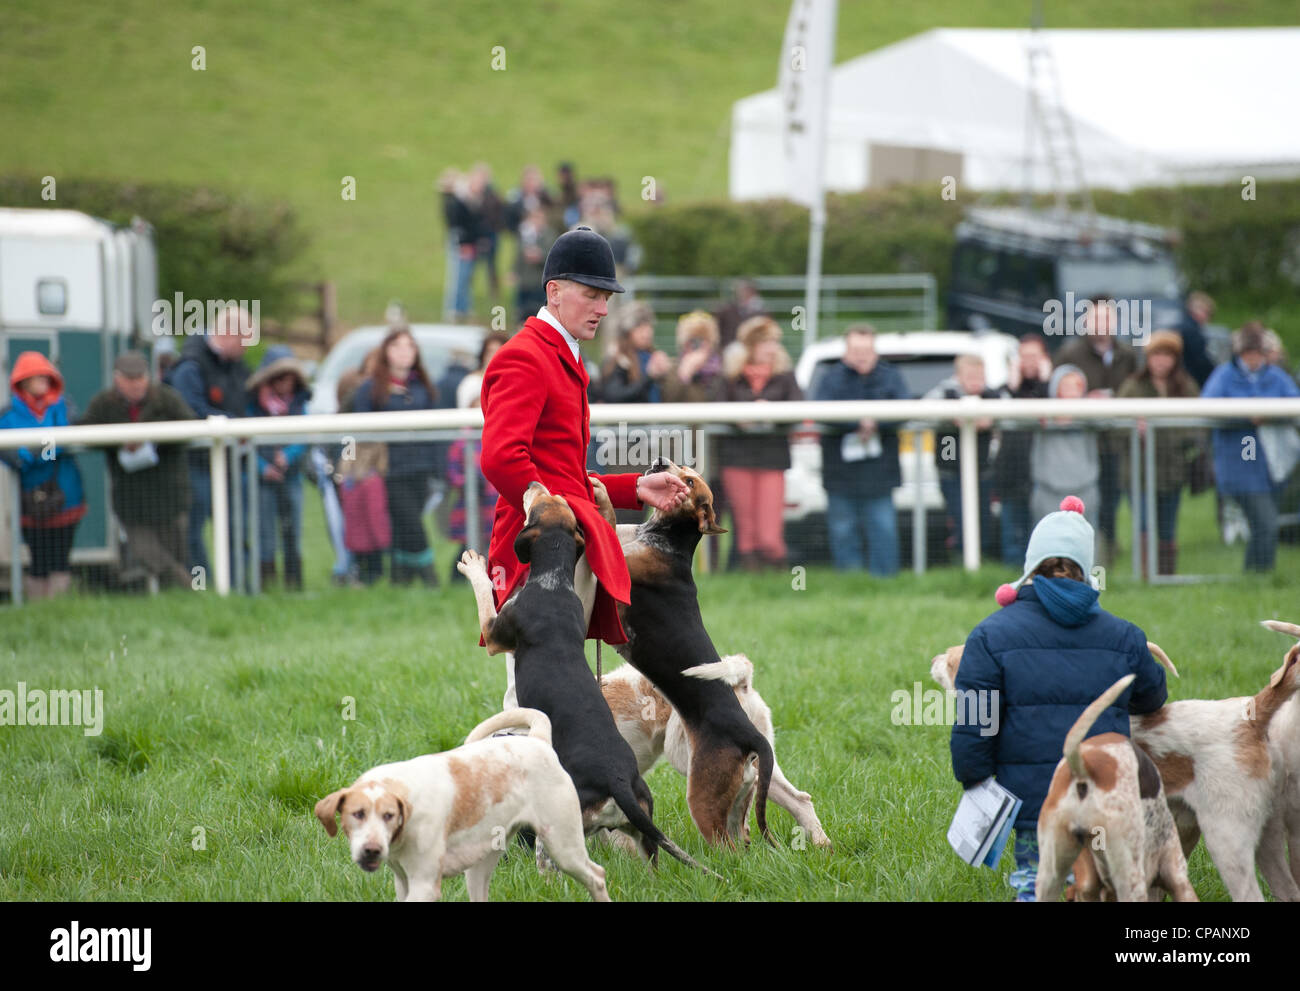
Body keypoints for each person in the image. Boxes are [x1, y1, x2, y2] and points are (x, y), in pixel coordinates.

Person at [480, 225, 689, 695]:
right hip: (538, 549)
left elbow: (564, 475)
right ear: (554, 292)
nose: (603, 308)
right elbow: (500, 459)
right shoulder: (526, 357)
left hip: (564, 541)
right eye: (592, 294)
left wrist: (634, 487)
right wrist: (550, 522)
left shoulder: (561, 354)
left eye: (607, 297)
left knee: (560, 694)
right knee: (535, 698)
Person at [950, 497, 1168, 900]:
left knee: (1038, 884)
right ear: (1087, 569)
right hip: (1107, 797)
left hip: (1036, 805)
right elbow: (1153, 697)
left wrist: (974, 776)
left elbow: (976, 720)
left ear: (1031, 566)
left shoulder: (989, 636)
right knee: (1104, 888)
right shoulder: (1124, 636)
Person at [80, 351, 196, 589]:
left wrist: (150, 438)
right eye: (130, 379)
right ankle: (190, 593)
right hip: (131, 498)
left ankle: (179, 605)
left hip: (170, 494)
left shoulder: (166, 399)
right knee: (150, 555)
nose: (136, 384)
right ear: (117, 379)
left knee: (175, 555)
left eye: (140, 378)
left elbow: (190, 428)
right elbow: (85, 433)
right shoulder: (103, 404)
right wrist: (120, 440)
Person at [1202, 323, 1300, 572]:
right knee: (1265, 523)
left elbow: (1293, 404)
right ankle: (1259, 574)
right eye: (1248, 353)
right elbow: (1207, 409)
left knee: (1264, 525)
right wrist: (1246, 416)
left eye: (1258, 352)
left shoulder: (1275, 375)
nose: (1253, 359)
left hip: (1272, 465)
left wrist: (1268, 415)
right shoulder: (1224, 375)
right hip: (1239, 465)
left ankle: (1257, 575)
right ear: (1239, 353)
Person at [812, 324, 909, 575]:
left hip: (880, 472)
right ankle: (850, 582)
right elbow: (818, 411)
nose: (861, 355)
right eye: (856, 349)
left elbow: (905, 408)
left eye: (866, 349)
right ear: (846, 350)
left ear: (874, 349)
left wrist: (876, 422)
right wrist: (857, 423)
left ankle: (885, 582)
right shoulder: (830, 378)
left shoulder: (891, 376)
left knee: (883, 529)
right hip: (840, 473)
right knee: (843, 531)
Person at [168, 303, 254, 575]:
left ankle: (239, 583)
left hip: (228, 463)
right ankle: (200, 585)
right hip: (195, 464)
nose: (246, 348)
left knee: (235, 526)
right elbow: (189, 410)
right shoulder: (190, 366)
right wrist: (232, 423)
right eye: (244, 340)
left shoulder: (237, 367)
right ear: (228, 333)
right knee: (194, 530)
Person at [351, 327, 440, 586]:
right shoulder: (370, 388)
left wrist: (437, 468)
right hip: (388, 469)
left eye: (409, 346)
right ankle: (429, 578)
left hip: (421, 467)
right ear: (386, 352)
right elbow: (361, 426)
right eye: (397, 346)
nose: (404, 352)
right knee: (411, 523)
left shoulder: (423, 386)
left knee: (405, 525)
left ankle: (399, 580)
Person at [713, 315, 803, 570]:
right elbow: (717, 409)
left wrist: (772, 412)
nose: (772, 348)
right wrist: (739, 418)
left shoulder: (785, 375)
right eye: (766, 342)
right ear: (751, 346)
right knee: (746, 530)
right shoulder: (731, 376)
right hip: (737, 457)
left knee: (769, 533)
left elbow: (799, 409)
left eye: (774, 342)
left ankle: (779, 577)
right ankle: (754, 582)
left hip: (772, 457)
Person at [1054, 297, 1138, 565]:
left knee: (1112, 500)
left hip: (1117, 442)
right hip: (1080, 444)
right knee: (1081, 502)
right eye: (1096, 319)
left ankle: (1107, 554)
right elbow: (1055, 390)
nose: (1101, 325)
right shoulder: (1070, 353)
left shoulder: (1129, 354)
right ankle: (1077, 554)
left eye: (1106, 319)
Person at [0, 352, 87, 599]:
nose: (42, 383)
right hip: (31, 499)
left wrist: (34, 454)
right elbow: (10, 454)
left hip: (65, 494)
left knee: (60, 557)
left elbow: (63, 441)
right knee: (38, 558)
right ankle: (38, 610)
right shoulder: (8, 414)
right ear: (23, 382)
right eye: (36, 377)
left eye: (45, 377)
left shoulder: (64, 407)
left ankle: (57, 609)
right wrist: (31, 456)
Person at [1116, 330, 1202, 576]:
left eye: (1167, 355)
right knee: (1143, 525)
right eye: (1157, 355)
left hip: (1172, 471)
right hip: (1138, 472)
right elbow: (1115, 425)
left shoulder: (1186, 386)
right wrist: (1135, 427)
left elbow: (1197, 426)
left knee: (1167, 527)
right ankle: (1145, 575)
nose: (1161, 361)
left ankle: (1166, 576)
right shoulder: (1133, 385)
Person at [246, 347, 311, 590]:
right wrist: (263, 467)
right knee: (265, 532)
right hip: (263, 480)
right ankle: (267, 583)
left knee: (292, 528)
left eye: (290, 377)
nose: (286, 383)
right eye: (280, 377)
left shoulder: (299, 403)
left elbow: (304, 437)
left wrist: (287, 456)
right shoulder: (254, 406)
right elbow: (246, 442)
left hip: (291, 477)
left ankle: (295, 583)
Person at [929, 355, 1000, 561]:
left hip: (983, 472)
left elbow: (1014, 409)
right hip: (950, 471)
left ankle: (981, 562)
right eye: (970, 376)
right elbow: (922, 409)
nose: (975, 381)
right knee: (959, 519)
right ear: (957, 376)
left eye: (979, 376)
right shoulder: (945, 393)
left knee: (983, 520)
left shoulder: (992, 396)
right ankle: (959, 561)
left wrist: (991, 419)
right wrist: (950, 415)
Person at [994, 334, 1052, 566]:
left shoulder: (1052, 388)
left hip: (1044, 474)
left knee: (1042, 531)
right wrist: (1012, 384)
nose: (1028, 362)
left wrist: (1046, 380)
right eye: (1024, 356)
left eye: (1034, 356)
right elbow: (999, 405)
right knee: (1013, 532)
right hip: (1012, 472)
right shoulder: (1005, 390)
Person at [1029, 365, 1100, 537]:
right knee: (1048, 540)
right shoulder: (1042, 415)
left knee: (1085, 538)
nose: (1071, 392)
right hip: (1048, 491)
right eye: (1065, 386)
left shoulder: (1091, 416)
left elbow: (1111, 419)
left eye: (1076, 386)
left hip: (1085, 490)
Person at [599, 302, 671, 404]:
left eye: (648, 326)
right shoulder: (616, 359)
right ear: (627, 331)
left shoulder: (652, 356)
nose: (647, 332)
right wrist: (649, 377)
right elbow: (614, 396)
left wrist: (666, 375)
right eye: (640, 327)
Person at [1176, 290, 1218, 388]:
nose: (1207, 318)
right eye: (1206, 312)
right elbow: (1200, 360)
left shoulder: (1183, 325)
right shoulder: (1192, 331)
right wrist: (1216, 374)